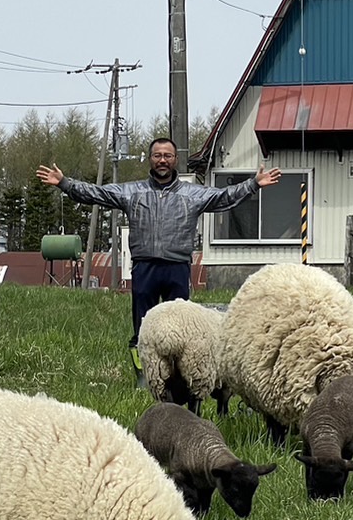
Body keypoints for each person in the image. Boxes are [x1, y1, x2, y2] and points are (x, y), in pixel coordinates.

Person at [35, 138, 281, 365]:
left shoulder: (192, 194)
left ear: (175, 160)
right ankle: (145, 375)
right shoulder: (132, 192)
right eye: (157, 155)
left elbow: (224, 197)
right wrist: (65, 183)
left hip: (177, 267)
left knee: (181, 327)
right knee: (143, 327)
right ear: (150, 159)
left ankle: (179, 373)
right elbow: (97, 194)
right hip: (145, 268)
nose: (162, 160)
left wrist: (253, 185)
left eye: (168, 156)